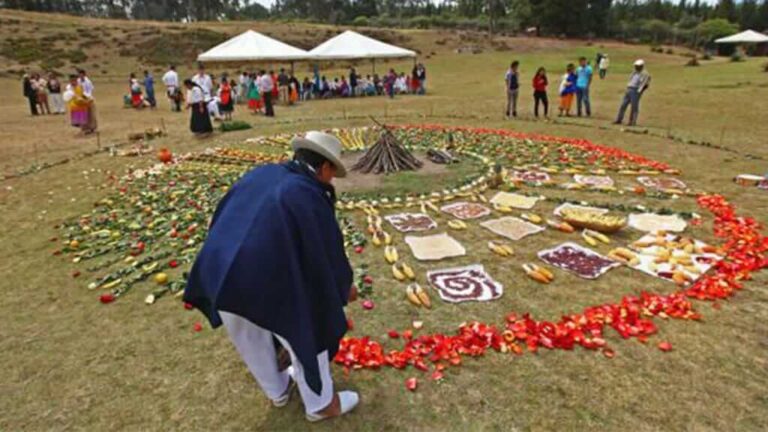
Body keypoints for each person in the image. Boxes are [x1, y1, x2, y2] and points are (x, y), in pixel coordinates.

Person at [184, 131, 360, 422]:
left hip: (220, 268)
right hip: (263, 274)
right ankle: (321, 405)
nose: (332, 181)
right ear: (325, 167)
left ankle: (277, 390)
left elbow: (223, 212)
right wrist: (343, 287)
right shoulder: (308, 194)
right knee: (308, 326)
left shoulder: (263, 173)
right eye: (333, 174)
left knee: (249, 335)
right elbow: (326, 250)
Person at [614, 59, 651, 126]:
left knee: (634, 107)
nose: (636, 67)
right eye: (636, 66)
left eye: (637, 66)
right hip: (629, 89)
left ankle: (632, 122)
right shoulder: (634, 72)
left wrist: (639, 91)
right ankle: (619, 119)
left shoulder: (645, 74)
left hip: (635, 90)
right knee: (623, 105)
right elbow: (630, 80)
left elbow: (645, 84)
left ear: (642, 66)